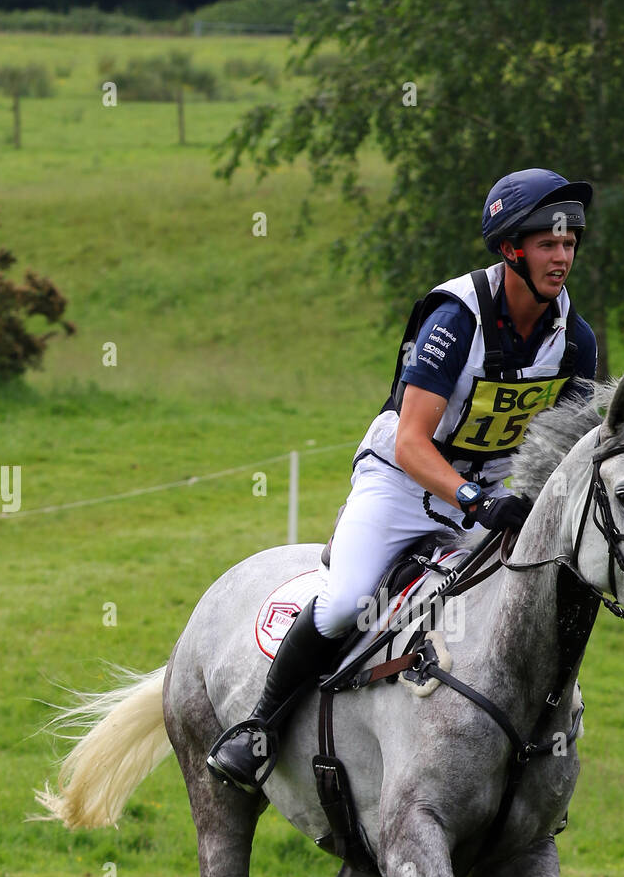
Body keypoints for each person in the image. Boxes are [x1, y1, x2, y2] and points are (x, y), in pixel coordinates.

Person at [207, 167, 598, 793]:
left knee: (518, 610)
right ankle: (260, 730)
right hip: (402, 484)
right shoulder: (455, 318)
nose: (562, 256)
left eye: (570, 242)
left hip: (490, 497)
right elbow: (414, 441)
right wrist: (476, 500)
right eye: (548, 243)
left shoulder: (574, 340)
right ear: (510, 249)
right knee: (343, 603)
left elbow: (568, 448)